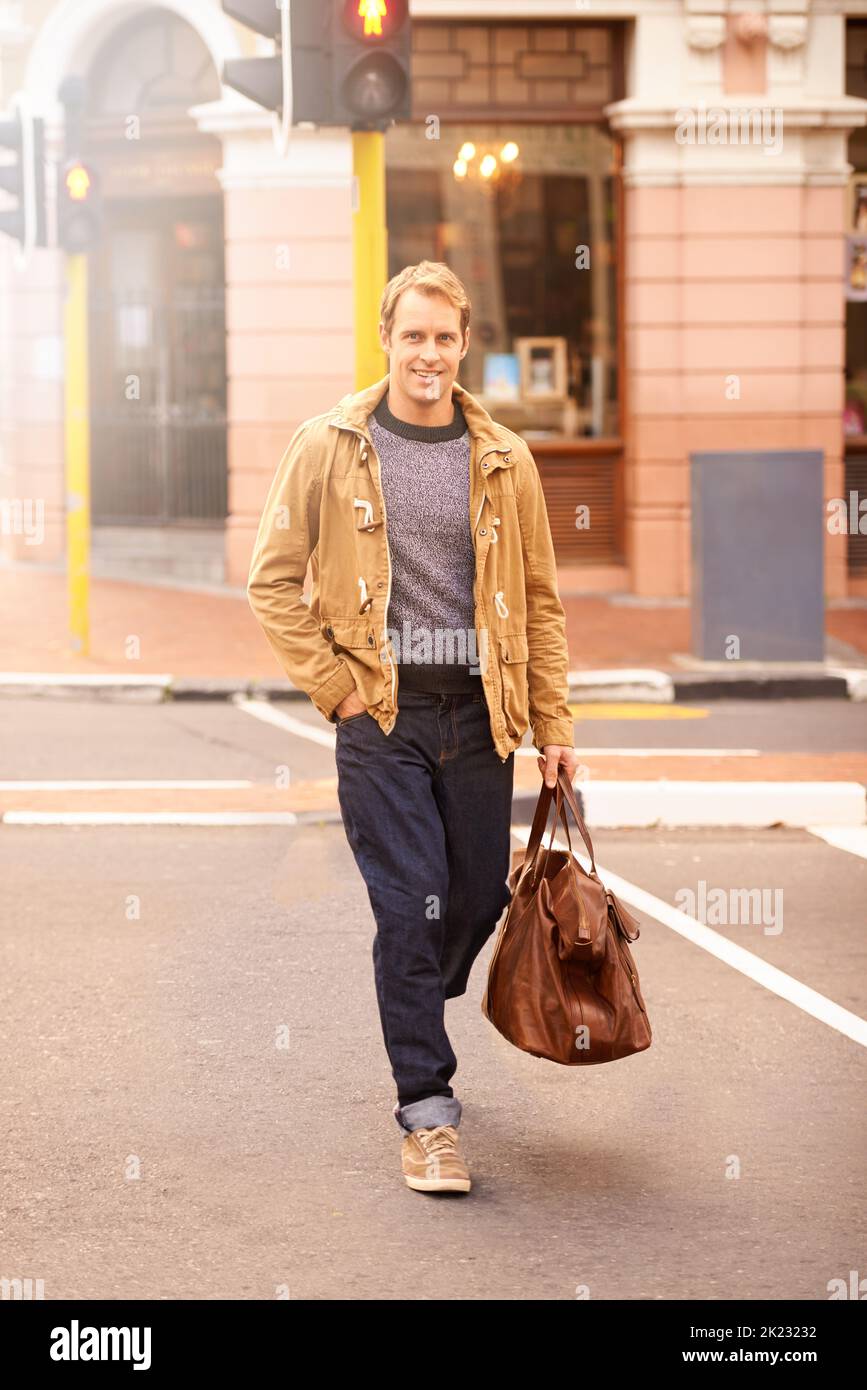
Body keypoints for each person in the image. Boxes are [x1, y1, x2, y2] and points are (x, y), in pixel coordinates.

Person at [247, 260, 580, 1194]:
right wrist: (339, 691)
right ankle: (427, 1113)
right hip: (382, 716)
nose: (427, 353)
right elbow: (272, 582)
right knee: (409, 904)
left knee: (473, 896)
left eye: (444, 337)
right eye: (412, 336)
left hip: (483, 717)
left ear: (464, 345)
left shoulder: (504, 458)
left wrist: (552, 724)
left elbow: (540, 601)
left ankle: (412, 994)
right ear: (386, 340)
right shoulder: (329, 444)